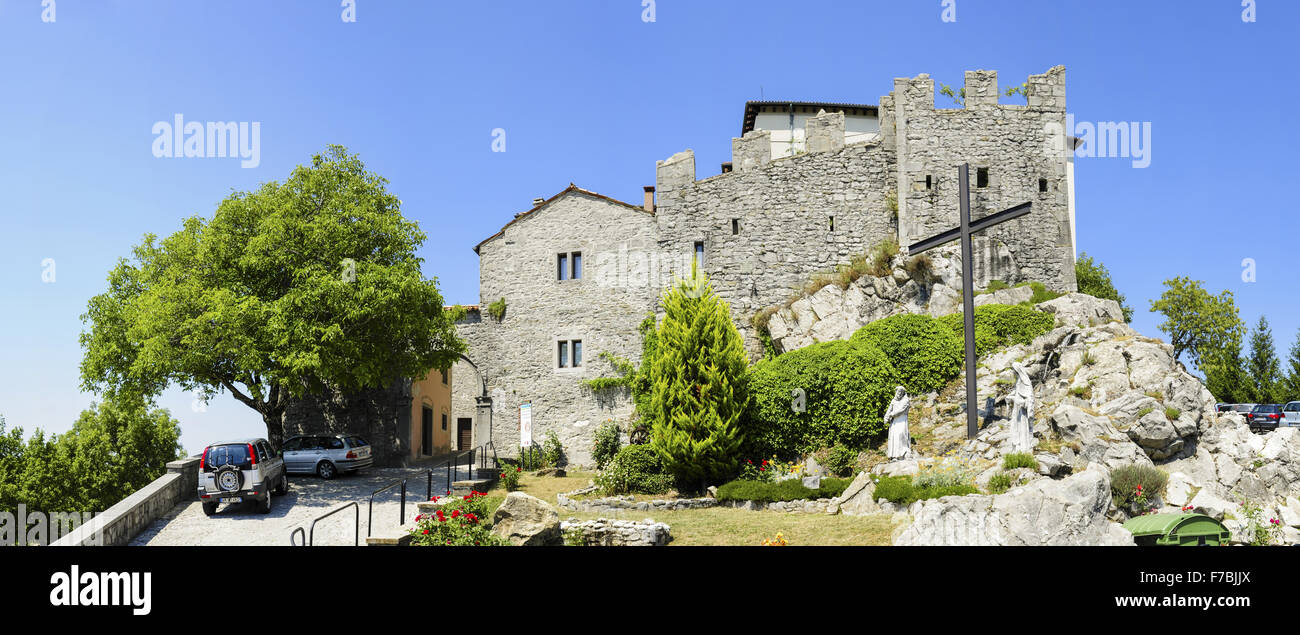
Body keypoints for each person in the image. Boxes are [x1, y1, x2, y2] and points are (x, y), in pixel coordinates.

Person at [1008, 362, 1035, 453]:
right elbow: (1017, 392)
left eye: (1014, 370)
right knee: (1015, 428)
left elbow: (1029, 399)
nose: (1013, 373)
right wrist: (1011, 398)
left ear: (1017, 371)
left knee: (1022, 429)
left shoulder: (1026, 382)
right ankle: (1017, 448)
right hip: (1017, 410)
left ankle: (1024, 449)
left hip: (1023, 413)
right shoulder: (1019, 381)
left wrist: (1020, 401)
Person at [885, 386, 912, 460]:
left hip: (902, 420)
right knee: (894, 437)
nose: (899, 394)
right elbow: (889, 409)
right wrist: (886, 417)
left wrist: (892, 414)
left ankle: (903, 454)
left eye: (901, 392)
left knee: (901, 435)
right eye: (898, 392)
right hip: (895, 422)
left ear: (903, 393)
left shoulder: (906, 400)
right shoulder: (893, 400)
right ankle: (894, 456)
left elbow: (901, 410)